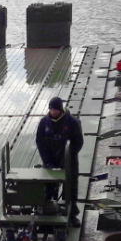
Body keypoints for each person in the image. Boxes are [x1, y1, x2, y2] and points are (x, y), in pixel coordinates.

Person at [35, 96, 83, 227]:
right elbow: (39, 141)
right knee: (50, 185)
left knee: (71, 187)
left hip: (69, 160)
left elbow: (78, 142)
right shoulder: (44, 122)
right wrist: (47, 160)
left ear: (61, 109)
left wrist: (66, 159)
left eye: (55, 109)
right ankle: (51, 210)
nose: (53, 112)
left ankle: (72, 214)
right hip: (50, 159)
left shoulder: (72, 122)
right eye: (51, 109)